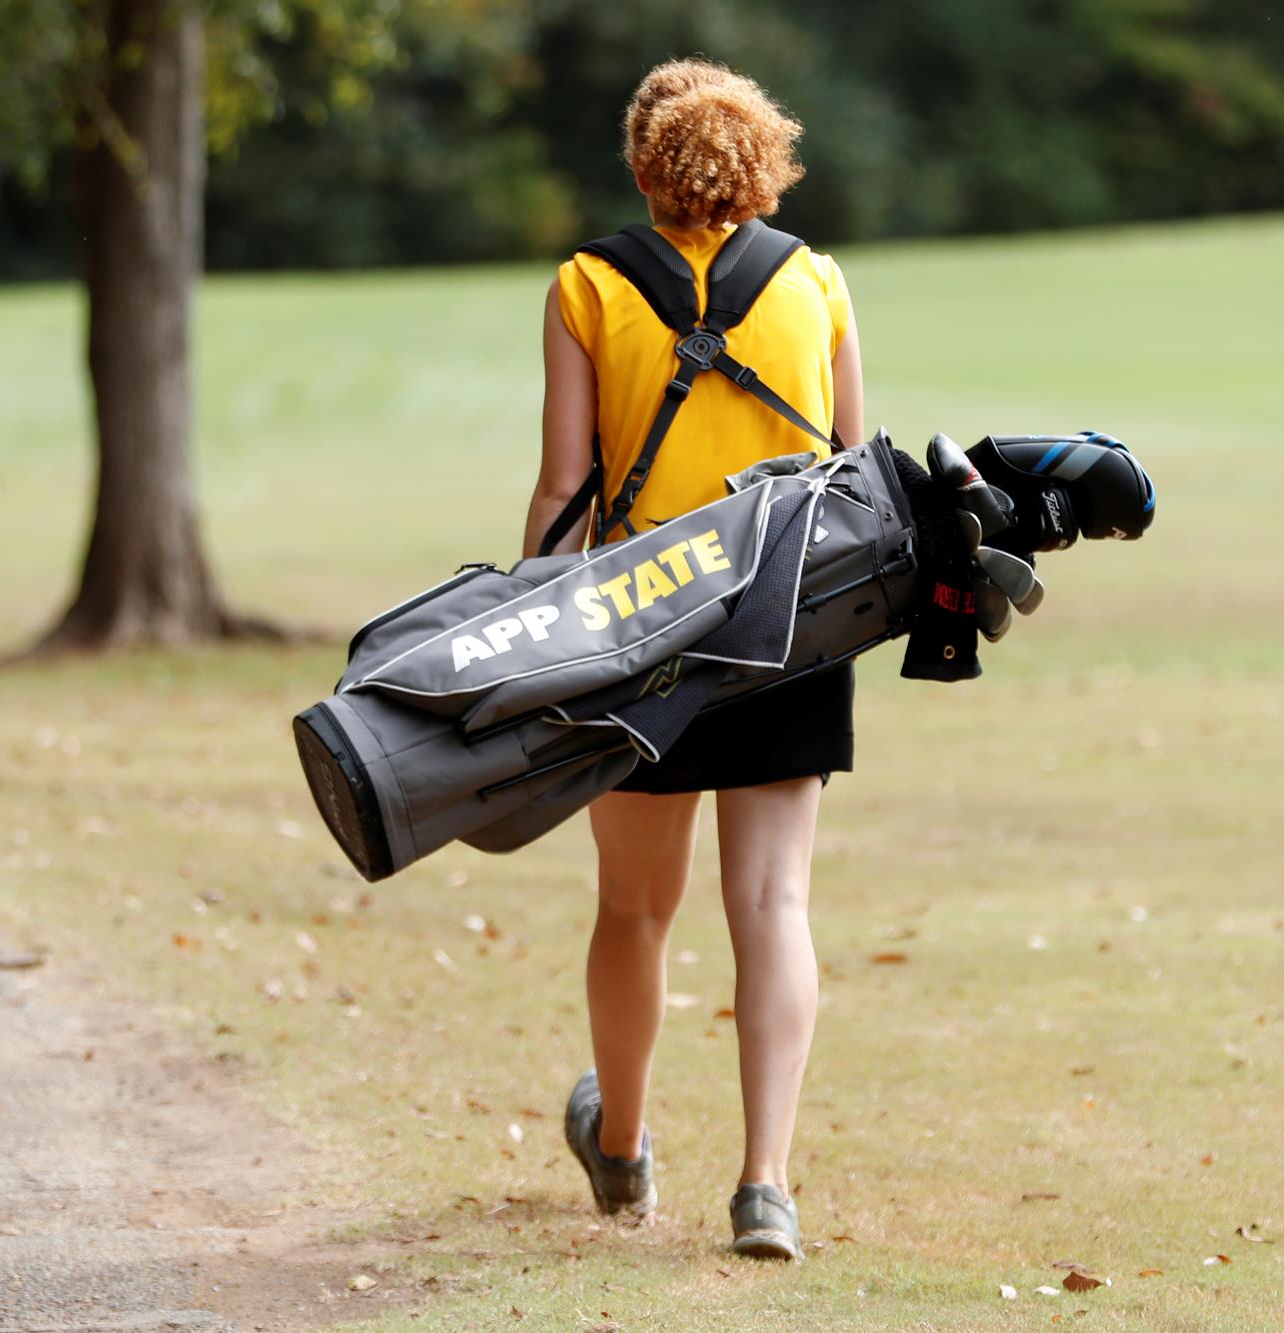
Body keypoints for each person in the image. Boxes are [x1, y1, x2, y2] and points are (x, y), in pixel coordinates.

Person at [523, 58, 862, 1262]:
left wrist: (535, 634)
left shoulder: (585, 287)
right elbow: (853, 471)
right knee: (771, 903)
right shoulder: (816, 283)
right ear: (762, 158)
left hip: (636, 631)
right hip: (790, 624)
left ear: (642, 164)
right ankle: (764, 1185)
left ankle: (619, 1146)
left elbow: (567, 487)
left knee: (632, 906)